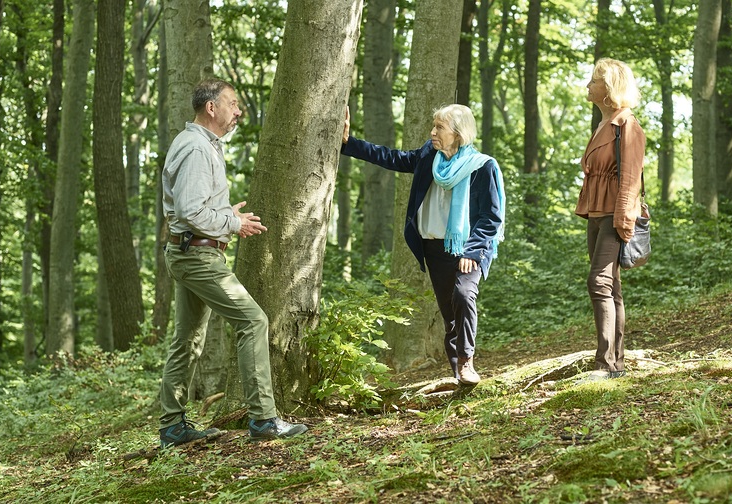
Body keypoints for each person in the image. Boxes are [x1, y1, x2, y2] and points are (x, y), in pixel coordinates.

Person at [158, 78, 307, 447]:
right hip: (196, 254)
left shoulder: (200, 144)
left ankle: (173, 427)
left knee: (188, 338)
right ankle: (263, 420)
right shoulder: (195, 148)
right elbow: (192, 212)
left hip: (189, 250)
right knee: (253, 321)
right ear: (212, 108)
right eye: (233, 103)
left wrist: (224, 213)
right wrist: (232, 223)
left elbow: (194, 205)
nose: (239, 111)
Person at [341, 105, 506, 385]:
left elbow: (491, 216)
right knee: (449, 313)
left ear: (458, 133)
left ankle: (467, 362)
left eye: (439, 127)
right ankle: (458, 375)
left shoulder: (482, 166)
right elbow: (392, 158)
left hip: (468, 248)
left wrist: (473, 251)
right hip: (434, 248)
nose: (432, 131)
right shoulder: (430, 157)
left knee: (464, 295)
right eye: (434, 125)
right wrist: (349, 143)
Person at [574, 58, 646, 381]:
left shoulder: (627, 126)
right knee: (611, 286)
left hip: (614, 216)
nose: (588, 85)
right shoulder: (603, 125)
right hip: (596, 213)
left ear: (609, 88)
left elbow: (631, 179)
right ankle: (615, 362)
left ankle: (605, 363)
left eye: (594, 81)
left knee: (599, 282)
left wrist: (623, 222)